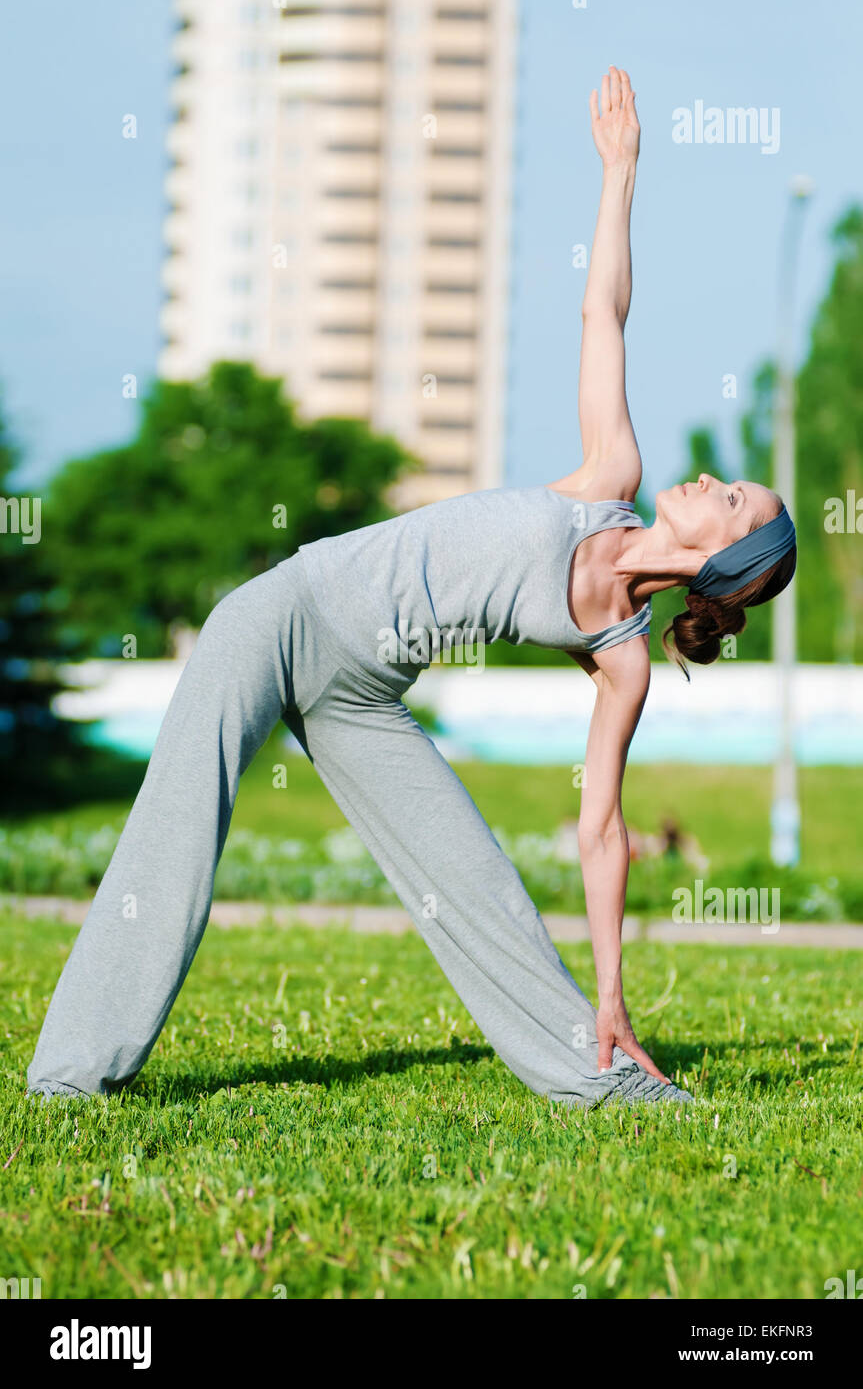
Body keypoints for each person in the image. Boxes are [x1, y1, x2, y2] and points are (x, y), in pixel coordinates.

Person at [27, 67, 796, 1110]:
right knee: (180, 825)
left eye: (730, 497)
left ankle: (599, 1072)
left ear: (722, 565)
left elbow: (602, 829)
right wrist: (618, 174)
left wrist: (613, 987)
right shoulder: (605, 482)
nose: (711, 477)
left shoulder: (620, 657)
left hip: (359, 693)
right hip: (283, 616)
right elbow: (599, 313)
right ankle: (73, 1073)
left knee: (474, 879)